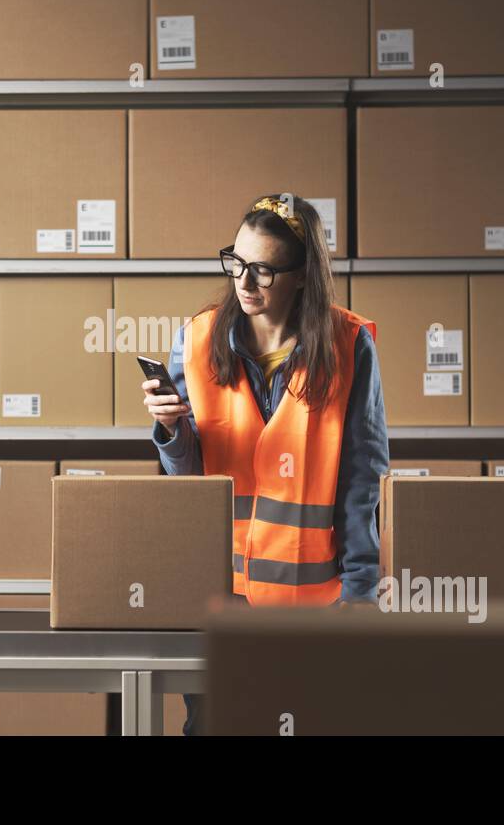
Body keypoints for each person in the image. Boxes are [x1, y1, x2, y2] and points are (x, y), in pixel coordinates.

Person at [142, 194, 390, 735]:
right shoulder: (199, 340)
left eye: (264, 271)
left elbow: (362, 482)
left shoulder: (349, 347)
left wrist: (360, 594)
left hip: (312, 608)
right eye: (236, 262)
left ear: (303, 277)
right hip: (217, 601)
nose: (244, 283)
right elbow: (187, 482)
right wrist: (168, 430)